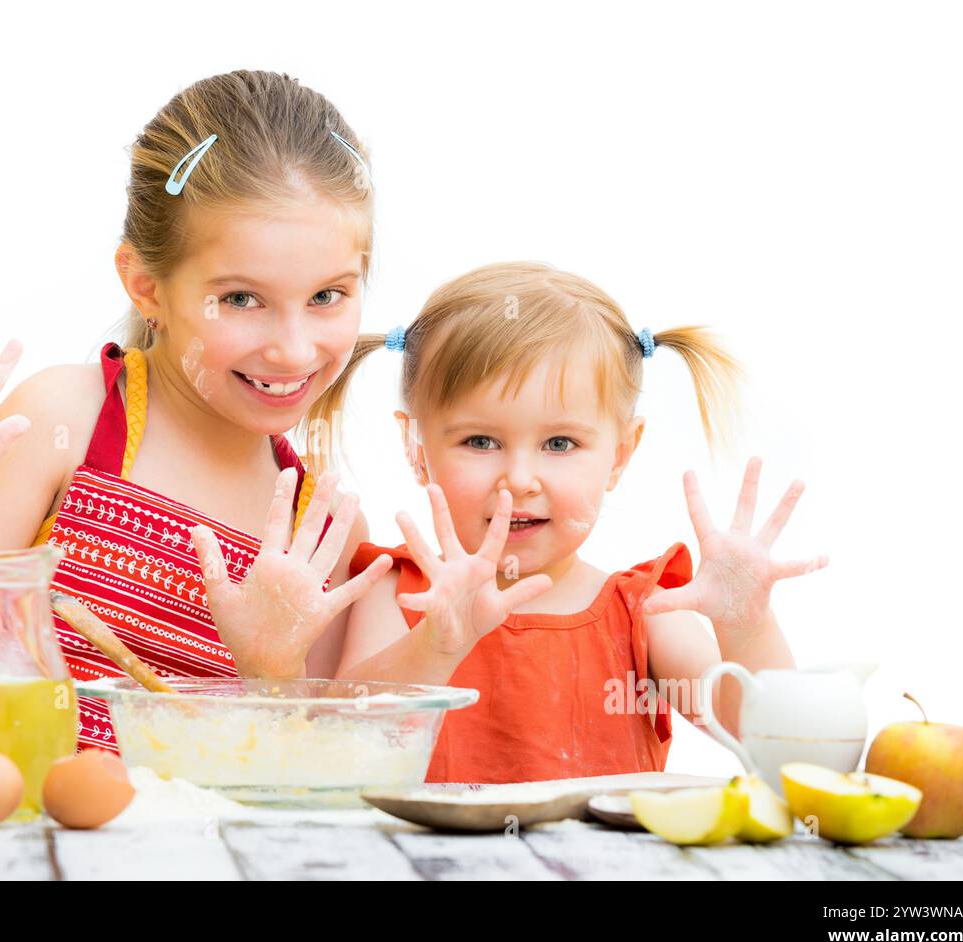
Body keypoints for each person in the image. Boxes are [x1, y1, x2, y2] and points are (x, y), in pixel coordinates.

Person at [0, 70, 394, 754]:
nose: (292, 347)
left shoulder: (324, 531)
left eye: (328, 296)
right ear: (146, 287)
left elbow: (304, 768)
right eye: (243, 299)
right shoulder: (60, 422)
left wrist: (272, 673)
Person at [327, 262, 828, 783]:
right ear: (416, 449)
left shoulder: (645, 611)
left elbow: (784, 750)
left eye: (559, 444)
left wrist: (746, 628)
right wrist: (436, 644)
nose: (519, 479)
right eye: (480, 441)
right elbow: (343, 749)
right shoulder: (394, 591)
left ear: (619, 455)